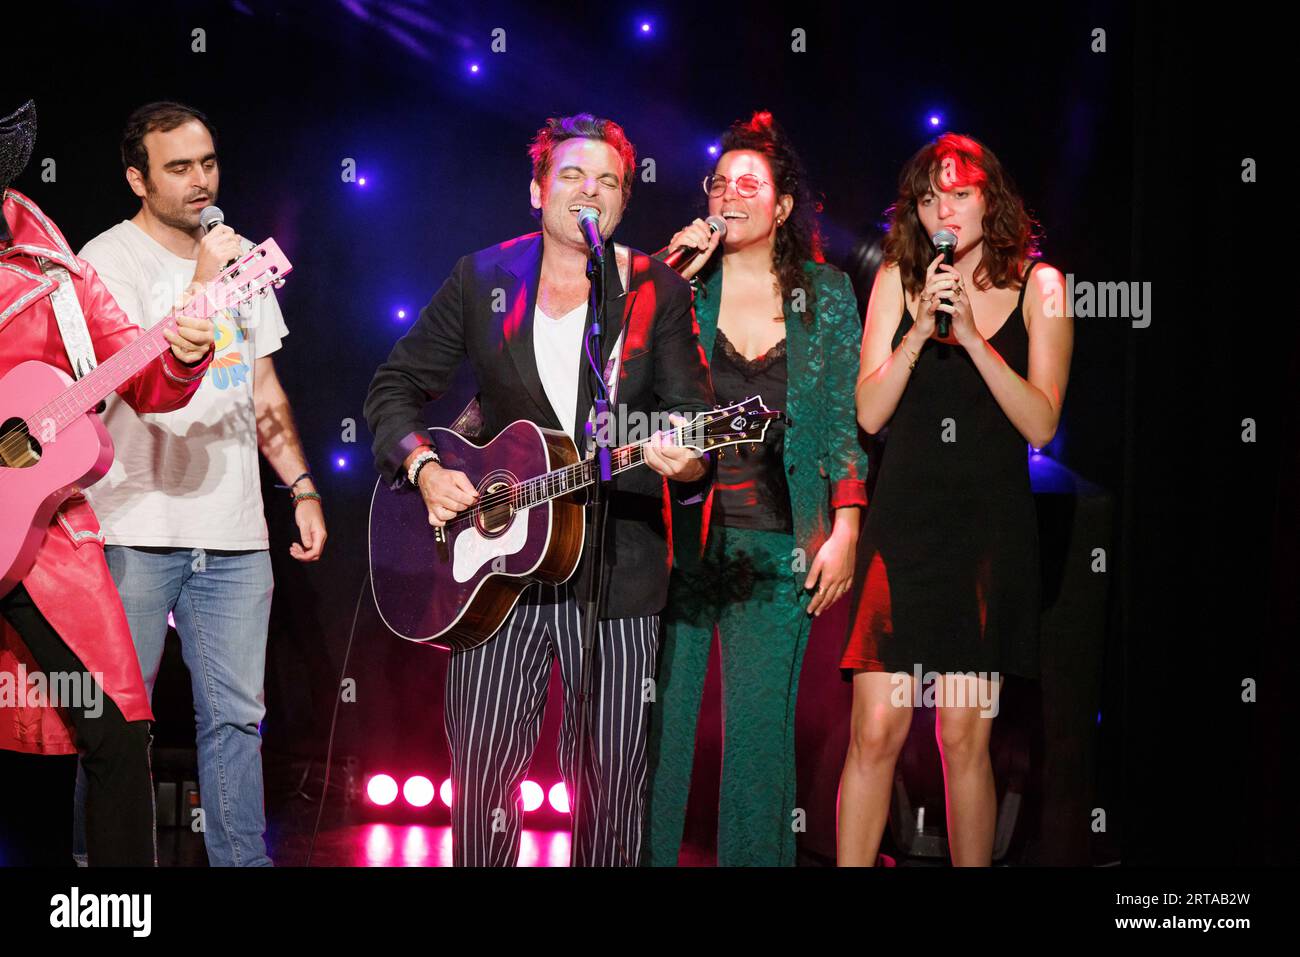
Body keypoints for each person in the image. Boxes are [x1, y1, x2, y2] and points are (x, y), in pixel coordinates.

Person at [364, 112, 715, 867]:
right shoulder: (481, 276)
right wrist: (424, 467)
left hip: (618, 571)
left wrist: (686, 461)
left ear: (624, 200)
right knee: (484, 783)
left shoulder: (657, 292)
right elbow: (393, 389)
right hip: (493, 581)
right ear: (537, 189)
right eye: (572, 176)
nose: (590, 191)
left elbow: (690, 425)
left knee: (612, 791)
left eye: (608, 182)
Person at [72, 101, 325, 867]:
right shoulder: (104, 261)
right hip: (133, 527)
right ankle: (102, 875)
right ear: (137, 179)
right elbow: (126, 379)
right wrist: (205, 280)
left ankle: (240, 861)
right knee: (117, 719)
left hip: (234, 530)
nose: (200, 180)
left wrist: (304, 486)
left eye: (208, 163)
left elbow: (263, 384)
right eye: (178, 167)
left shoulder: (243, 255)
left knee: (237, 718)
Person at [838, 132, 1072, 866]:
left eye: (961, 192)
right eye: (932, 194)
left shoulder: (1041, 285)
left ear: (990, 200)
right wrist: (919, 335)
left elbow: (1040, 420)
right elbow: (869, 414)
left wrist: (971, 336)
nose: (945, 206)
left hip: (985, 537)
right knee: (876, 729)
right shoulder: (899, 279)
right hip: (902, 530)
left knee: (963, 736)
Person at [643, 111, 868, 866]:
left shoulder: (827, 293)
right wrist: (671, 267)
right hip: (681, 539)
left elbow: (842, 420)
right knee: (661, 728)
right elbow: (613, 358)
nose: (731, 194)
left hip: (781, 542)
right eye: (720, 181)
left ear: (780, 204)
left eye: (751, 183)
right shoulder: (679, 287)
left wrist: (846, 527)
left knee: (759, 741)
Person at [0, 98, 215, 866]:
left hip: (40, 541)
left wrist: (185, 348)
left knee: (114, 727)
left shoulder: (60, 277)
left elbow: (150, 379)